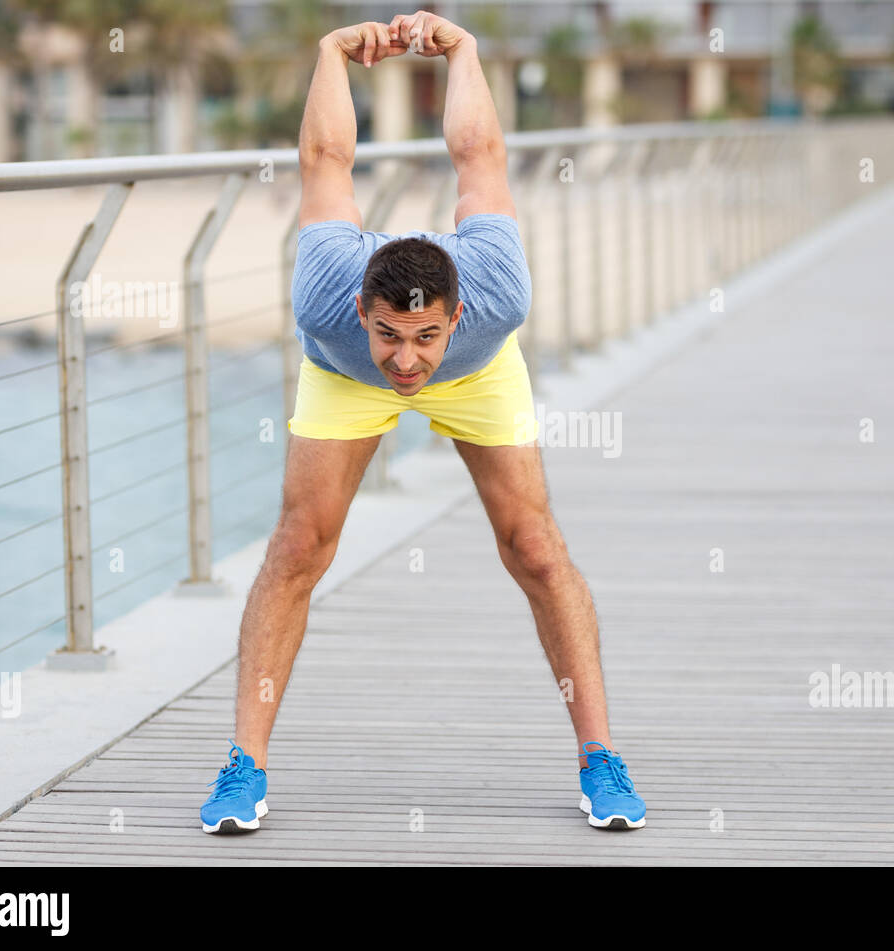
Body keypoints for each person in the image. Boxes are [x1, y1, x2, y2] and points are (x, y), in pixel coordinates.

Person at [199, 11, 646, 834]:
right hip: (342, 381)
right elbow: (326, 158)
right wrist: (331, 49)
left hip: (476, 377)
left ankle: (602, 761)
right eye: (392, 335)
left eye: (423, 336)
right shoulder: (328, 292)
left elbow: (479, 156)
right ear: (362, 312)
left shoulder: (498, 290)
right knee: (298, 546)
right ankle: (242, 768)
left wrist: (463, 50)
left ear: (459, 312)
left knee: (537, 548)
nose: (406, 360)